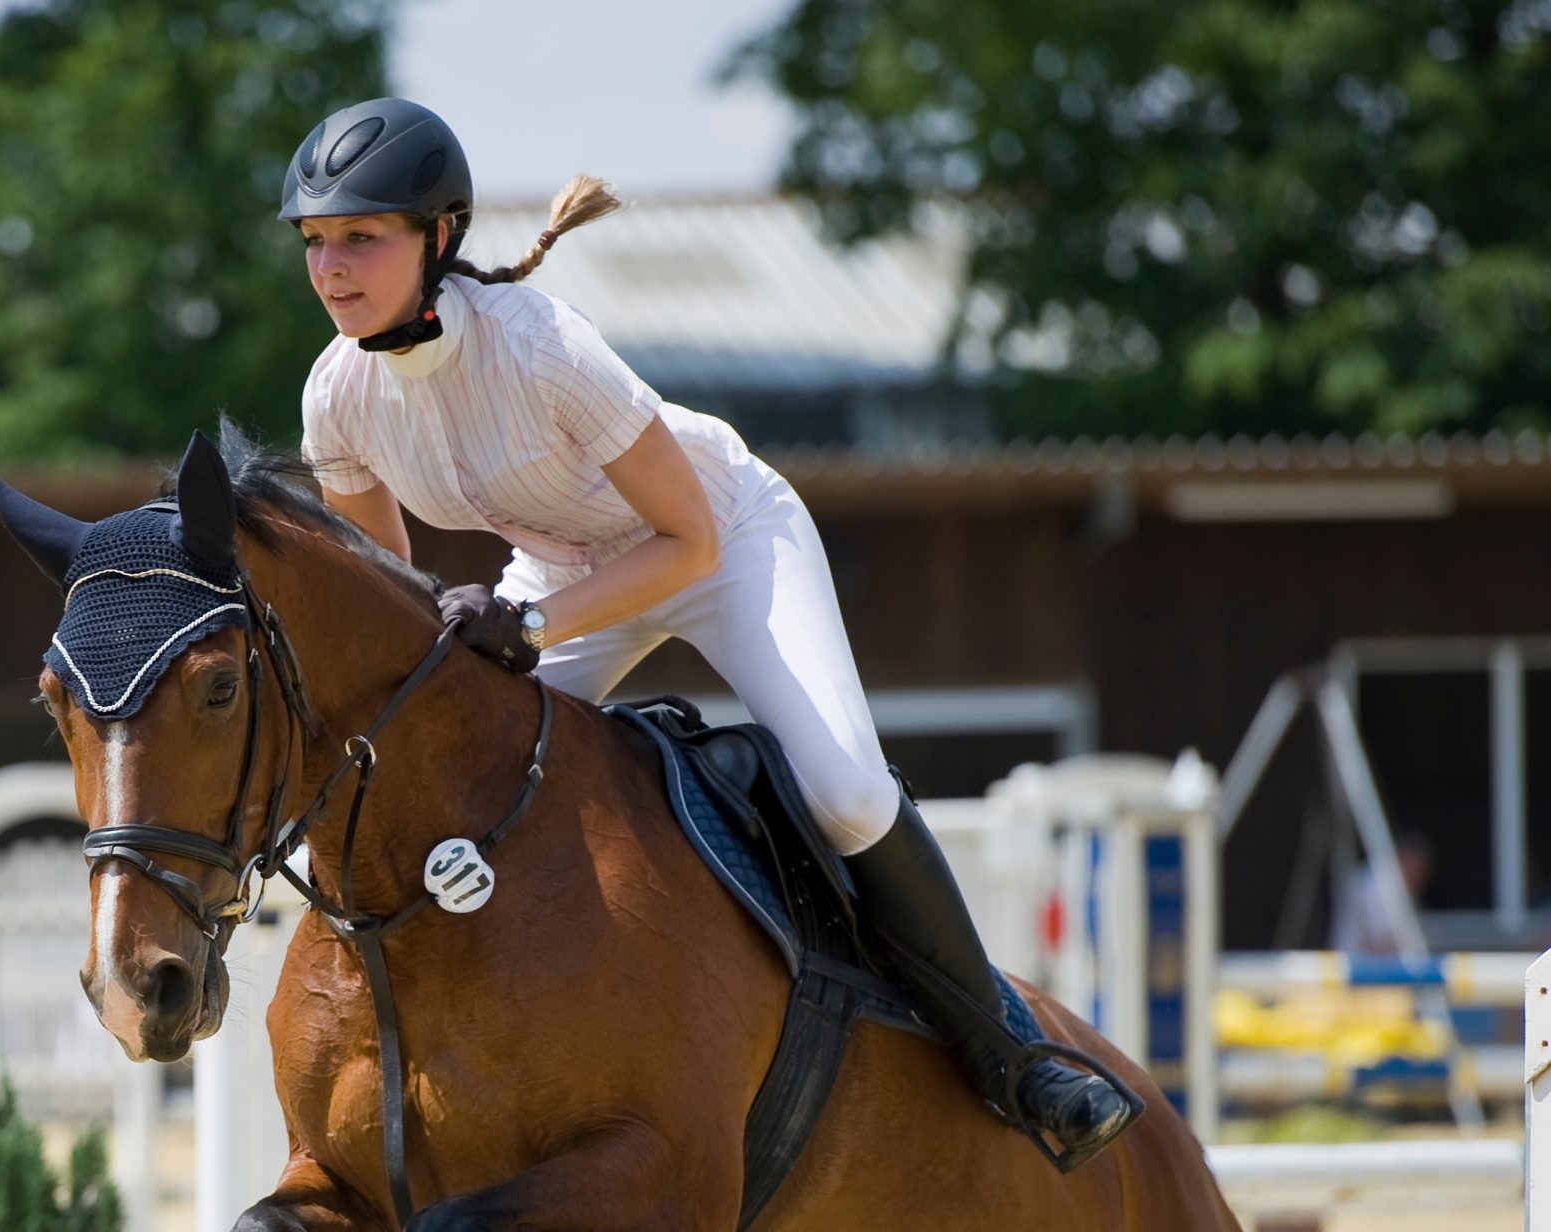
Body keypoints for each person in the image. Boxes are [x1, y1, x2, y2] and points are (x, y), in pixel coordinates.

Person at [281, 97, 1139, 1158]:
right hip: (561, 571)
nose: (332, 267)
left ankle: (1015, 1058)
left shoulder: (542, 347)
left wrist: (531, 622)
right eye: (316, 242)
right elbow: (393, 605)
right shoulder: (337, 396)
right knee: (442, 766)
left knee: (846, 790)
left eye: (361, 236)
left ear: (439, 237)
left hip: (725, 541)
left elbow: (682, 541)